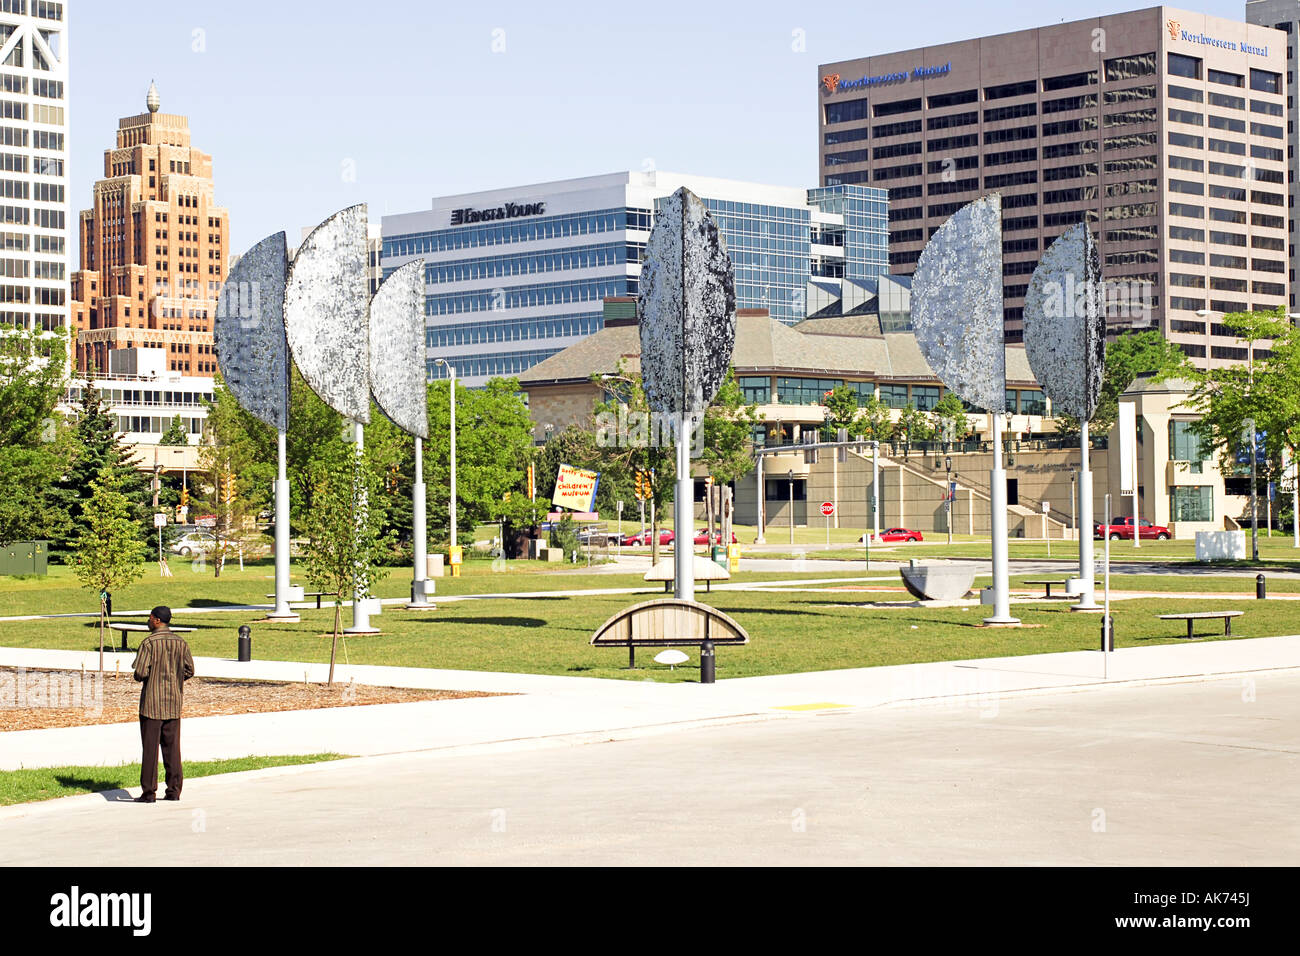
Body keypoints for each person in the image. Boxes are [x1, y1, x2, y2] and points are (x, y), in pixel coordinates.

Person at [132, 605, 194, 803]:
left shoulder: (149, 643)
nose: (148, 621)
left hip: (151, 703)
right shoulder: (181, 643)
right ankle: (174, 790)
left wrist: (151, 676)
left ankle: (149, 792)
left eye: (150, 618)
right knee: (172, 748)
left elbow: (140, 672)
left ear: (157, 620)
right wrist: (175, 679)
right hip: (174, 702)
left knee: (150, 749)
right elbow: (189, 670)